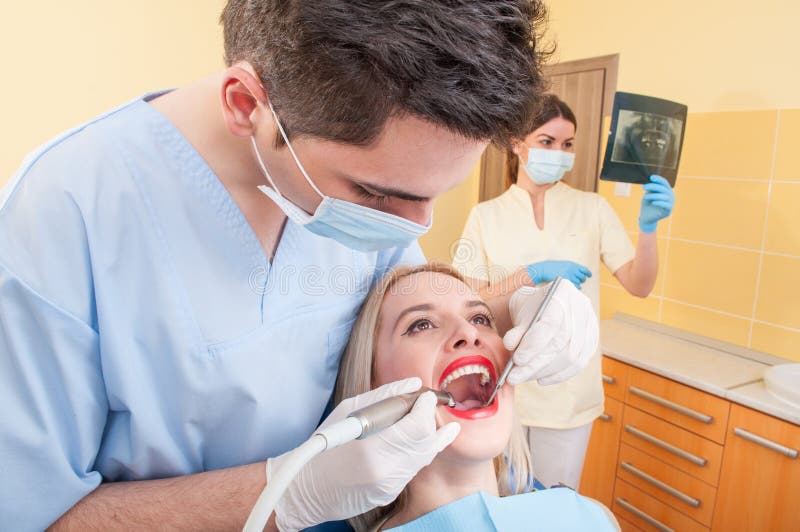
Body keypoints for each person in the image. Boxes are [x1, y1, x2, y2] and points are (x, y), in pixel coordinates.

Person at [0, 3, 600, 531]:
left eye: (437, 193)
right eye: (373, 192)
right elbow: (32, 513)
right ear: (247, 104)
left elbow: (415, 312)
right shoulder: (65, 211)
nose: (415, 225)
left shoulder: (369, 195)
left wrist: (519, 308)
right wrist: (286, 493)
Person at [453, 94, 675, 490]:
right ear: (516, 143)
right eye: (547, 141)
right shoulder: (485, 216)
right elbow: (472, 305)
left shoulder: (592, 209)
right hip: (506, 387)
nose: (559, 152)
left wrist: (648, 229)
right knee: (500, 499)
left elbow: (639, 285)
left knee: (553, 509)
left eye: (567, 144)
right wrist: (528, 275)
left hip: (570, 391)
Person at [330, 263, 618, 531]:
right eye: (421, 324)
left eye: (480, 318)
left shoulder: (591, 518)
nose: (468, 331)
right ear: (371, 382)